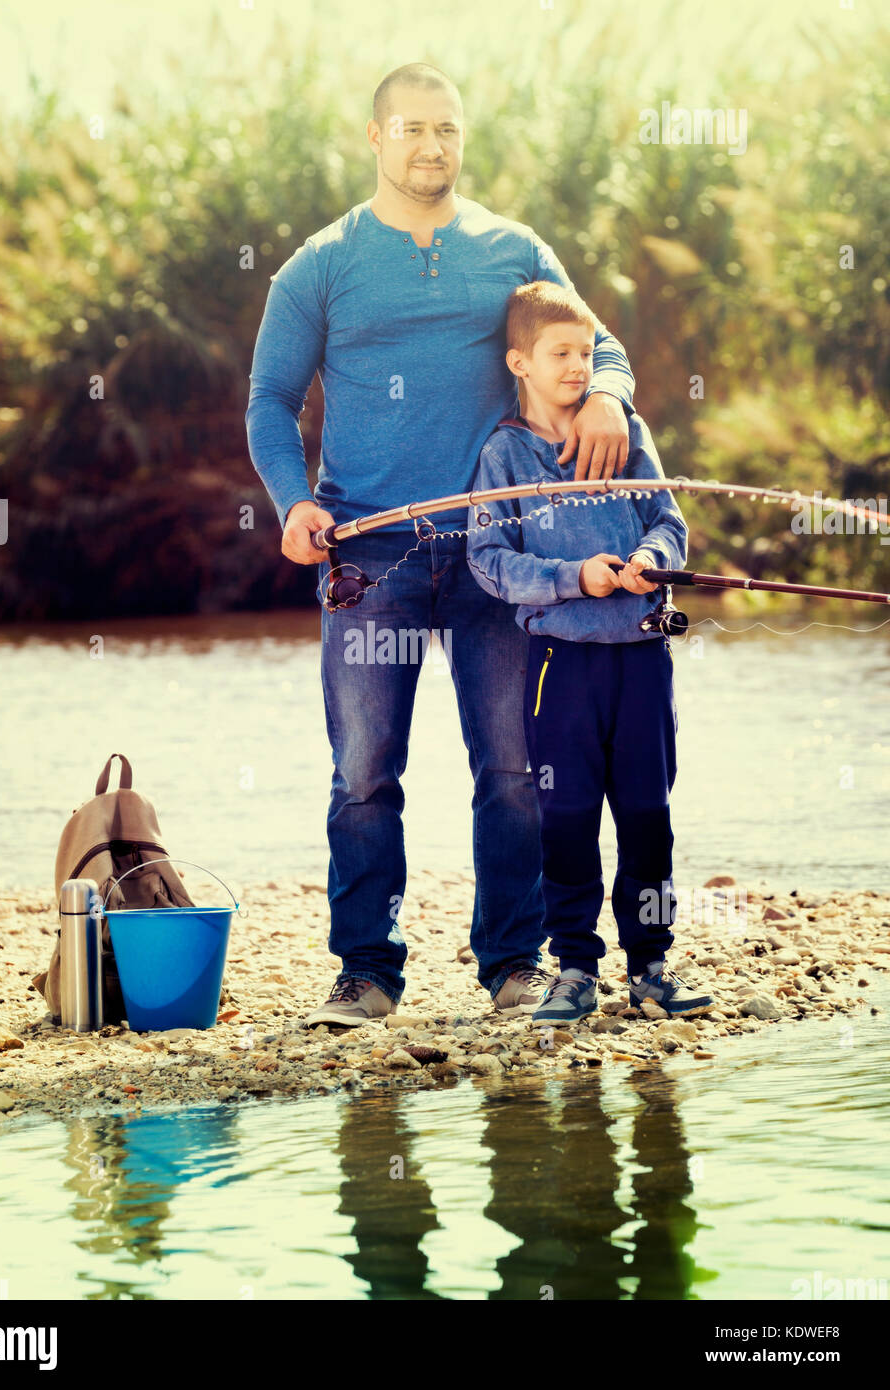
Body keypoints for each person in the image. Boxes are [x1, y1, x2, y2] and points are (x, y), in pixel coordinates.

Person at [247, 63, 637, 1026]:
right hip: (367, 556)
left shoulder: (513, 248)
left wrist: (606, 395)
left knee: (509, 766)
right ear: (375, 138)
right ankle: (368, 971)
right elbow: (269, 403)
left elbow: (602, 343)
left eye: (449, 131)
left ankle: (512, 961)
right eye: (414, 129)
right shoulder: (320, 265)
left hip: (497, 554)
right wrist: (294, 503)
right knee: (367, 771)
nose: (433, 147)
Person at [466, 281, 714, 1022]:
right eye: (561, 353)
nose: (578, 367)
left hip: (641, 658)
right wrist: (574, 577)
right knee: (566, 815)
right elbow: (488, 561)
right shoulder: (503, 456)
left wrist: (647, 559)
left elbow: (669, 522)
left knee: (647, 812)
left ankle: (652, 964)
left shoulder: (628, 436)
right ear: (520, 360)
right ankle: (574, 966)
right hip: (559, 668)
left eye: (586, 352)